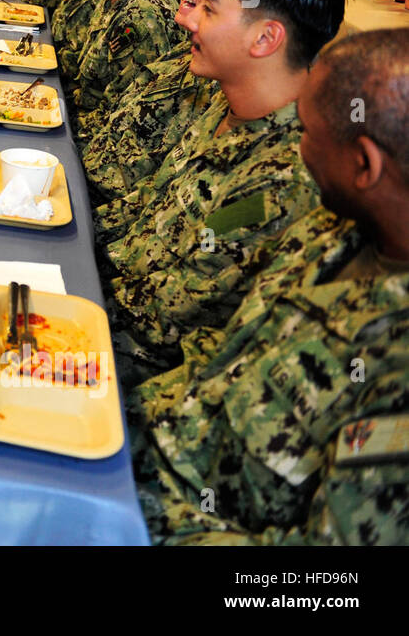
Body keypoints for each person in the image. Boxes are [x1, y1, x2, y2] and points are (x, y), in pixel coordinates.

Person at [129, 29, 409, 545]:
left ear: (364, 165)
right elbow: (225, 355)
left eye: (304, 132)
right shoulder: (336, 233)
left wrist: (110, 517)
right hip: (138, 441)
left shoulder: (394, 363)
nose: (293, 148)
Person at [95, 0, 345, 387]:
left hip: (129, 369)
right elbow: (143, 212)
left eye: (209, 9)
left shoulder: (285, 177)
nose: (185, 17)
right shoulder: (226, 106)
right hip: (105, 298)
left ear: (266, 38)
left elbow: (160, 324)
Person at [78, 0, 226, 204]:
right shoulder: (184, 51)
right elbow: (109, 116)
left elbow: (151, 198)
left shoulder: (217, 85)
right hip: (85, 174)